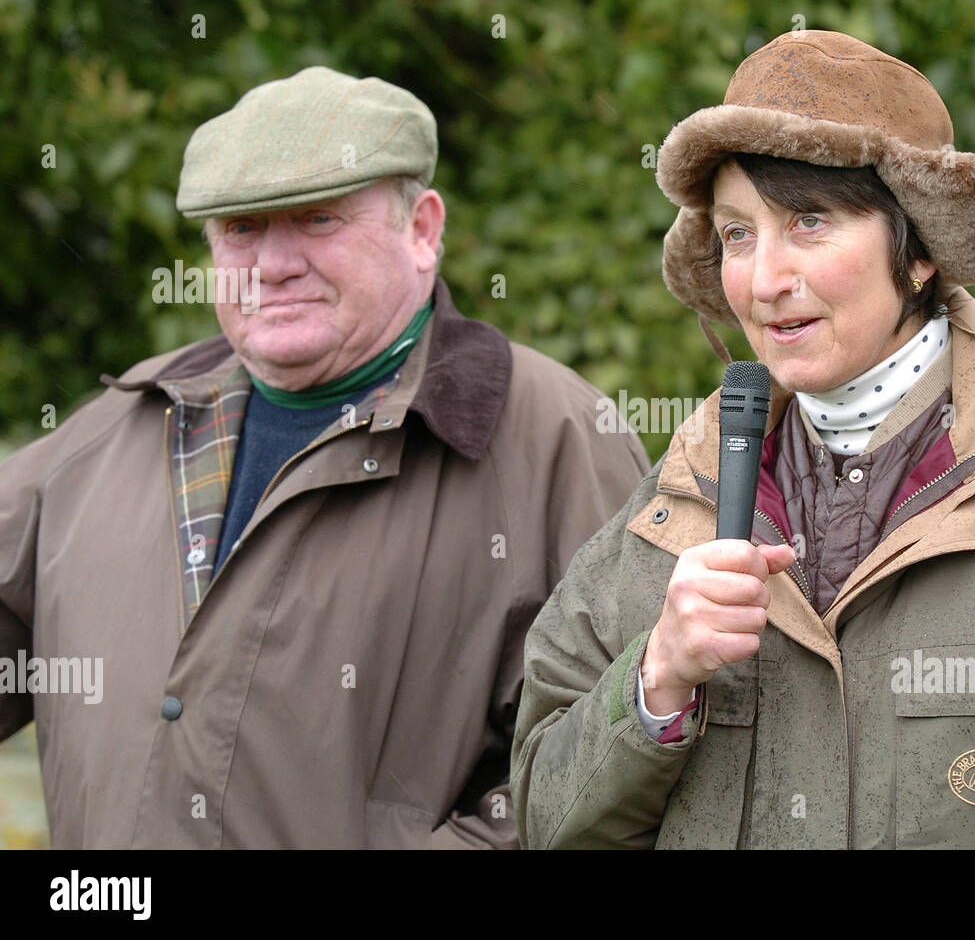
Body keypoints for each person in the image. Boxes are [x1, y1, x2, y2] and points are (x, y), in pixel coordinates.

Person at [510, 31, 975, 848]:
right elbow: (543, 820)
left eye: (808, 221)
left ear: (917, 257)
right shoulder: (675, 503)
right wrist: (656, 680)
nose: (763, 279)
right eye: (737, 233)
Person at [0, 66, 648, 848]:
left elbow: (617, 767)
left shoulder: (558, 437)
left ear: (422, 228)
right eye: (241, 228)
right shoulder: (113, 433)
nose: (272, 264)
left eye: (315, 220)